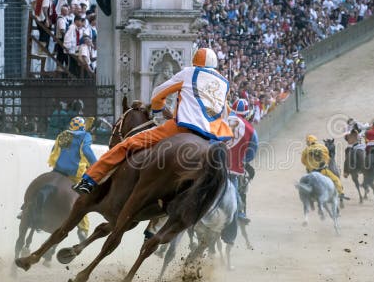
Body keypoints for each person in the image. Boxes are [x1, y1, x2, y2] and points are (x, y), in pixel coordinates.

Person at [72, 48, 233, 194]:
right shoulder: (224, 83)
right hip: (211, 138)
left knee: (127, 144)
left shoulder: (189, 72)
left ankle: (89, 180)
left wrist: (157, 109)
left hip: (182, 128)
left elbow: (158, 92)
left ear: (194, 61)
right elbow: (225, 112)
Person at [49, 116, 97, 232]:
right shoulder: (85, 136)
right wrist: (96, 164)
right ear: (82, 127)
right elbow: (86, 150)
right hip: (74, 175)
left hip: (58, 170)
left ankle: (24, 209)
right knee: (83, 199)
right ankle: (83, 229)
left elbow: (53, 151)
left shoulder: (64, 134)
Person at [226, 98, 259, 225]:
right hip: (234, 169)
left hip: (212, 163)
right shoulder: (250, 129)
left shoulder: (222, 120)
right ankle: (239, 213)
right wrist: (244, 160)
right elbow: (253, 150)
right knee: (240, 188)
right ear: (246, 114)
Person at [301, 134, 347, 200]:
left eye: (307, 142)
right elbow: (327, 158)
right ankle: (341, 193)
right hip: (323, 171)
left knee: (306, 183)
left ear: (308, 142)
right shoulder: (322, 147)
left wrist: (309, 165)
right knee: (336, 180)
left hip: (313, 172)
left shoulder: (306, 150)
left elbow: (303, 161)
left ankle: (308, 196)